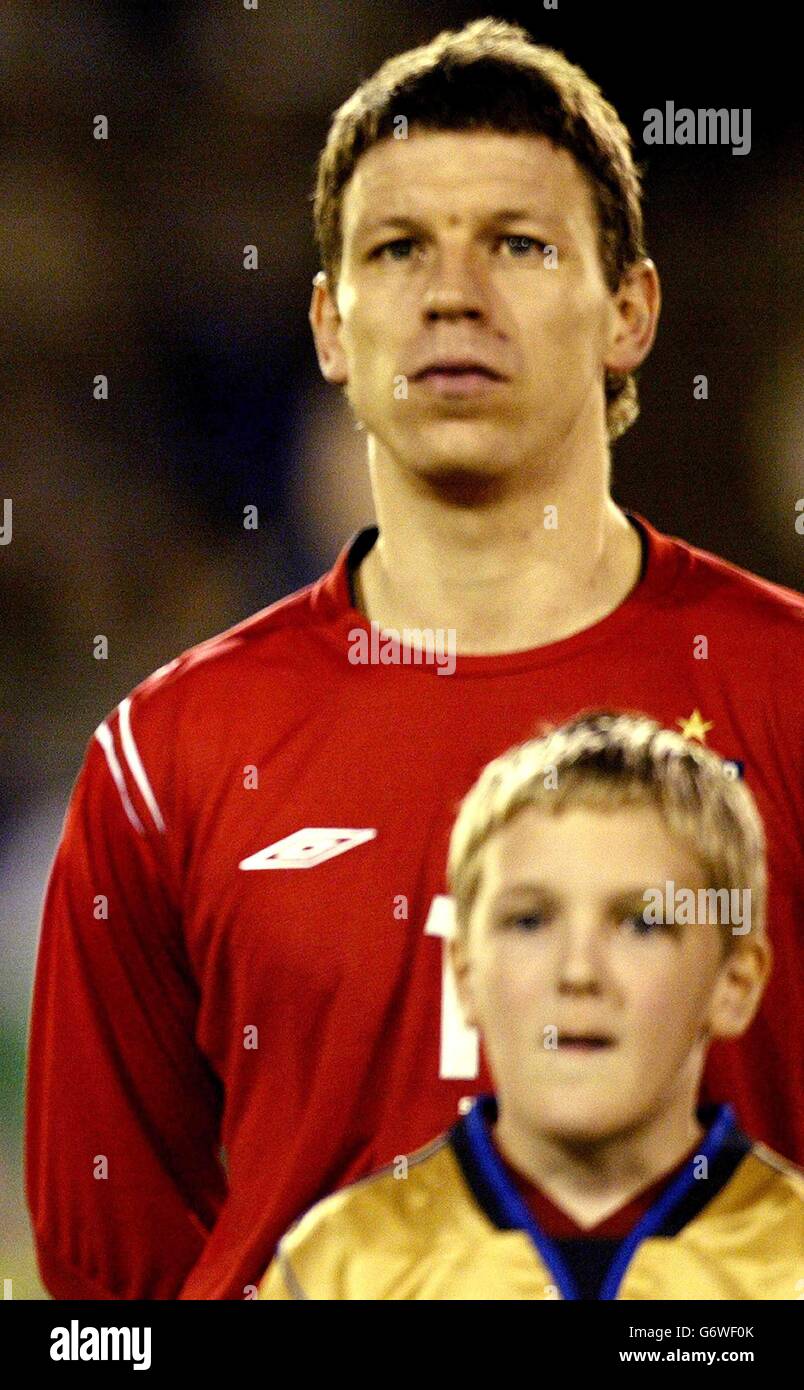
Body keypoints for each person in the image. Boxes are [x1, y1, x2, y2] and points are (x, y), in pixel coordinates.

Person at [25, 19, 802, 1301]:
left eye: (517, 243)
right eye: (399, 250)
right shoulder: (167, 763)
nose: (453, 293)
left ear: (630, 310)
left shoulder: (786, 698)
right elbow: (113, 1299)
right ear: (332, 326)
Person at [259, 712, 802, 1300]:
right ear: (464, 973)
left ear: (735, 982)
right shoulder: (338, 1269)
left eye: (643, 924)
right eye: (529, 921)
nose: (578, 973)